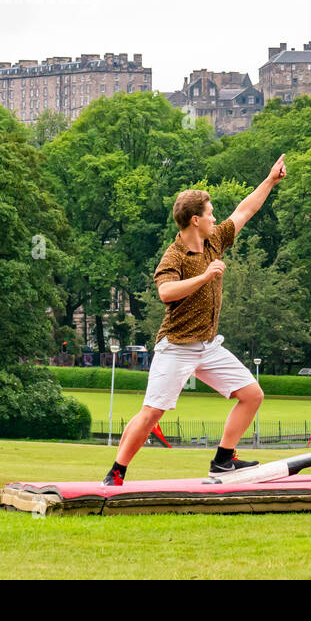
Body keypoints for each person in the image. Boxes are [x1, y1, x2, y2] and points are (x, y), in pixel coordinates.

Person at [102, 154, 287, 486]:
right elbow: (166, 292)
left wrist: (270, 180)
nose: (215, 217)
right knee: (152, 414)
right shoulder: (173, 256)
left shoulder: (214, 239)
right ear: (194, 220)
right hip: (177, 347)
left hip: (208, 345)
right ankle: (116, 474)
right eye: (210, 213)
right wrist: (205, 276)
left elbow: (245, 210)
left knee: (252, 394)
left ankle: (223, 461)